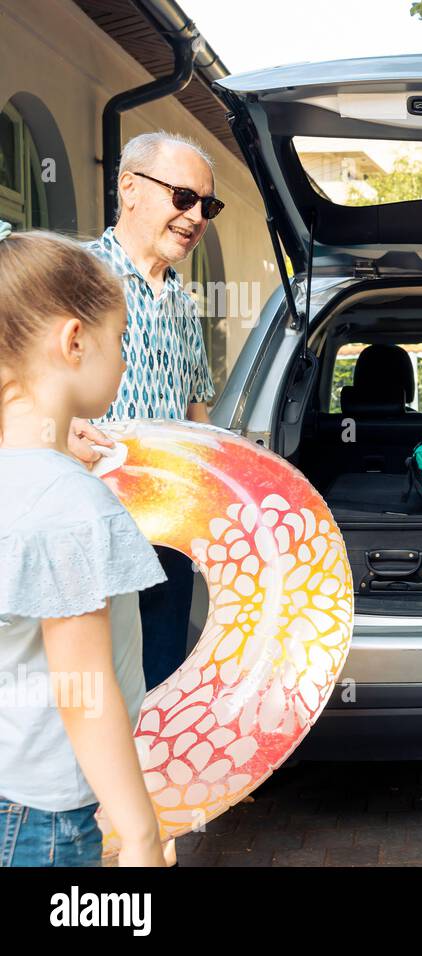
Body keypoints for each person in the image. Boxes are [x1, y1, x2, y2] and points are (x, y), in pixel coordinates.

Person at [0, 225, 166, 867]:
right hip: (42, 821)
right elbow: (82, 688)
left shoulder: (31, 483)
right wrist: (142, 835)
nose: (125, 358)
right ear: (74, 341)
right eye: (120, 338)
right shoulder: (71, 504)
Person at [71, 131, 222, 696]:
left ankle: (147, 784)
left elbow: (196, 406)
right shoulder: (72, 275)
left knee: (157, 678)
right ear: (129, 188)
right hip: (87, 521)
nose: (197, 216)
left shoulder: (183, 300)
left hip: (168, 529)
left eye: (207, 206)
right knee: (88, 684)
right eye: (184, 197)